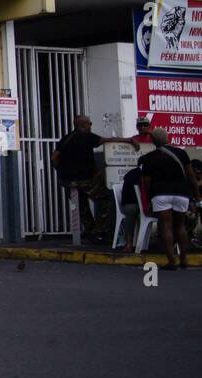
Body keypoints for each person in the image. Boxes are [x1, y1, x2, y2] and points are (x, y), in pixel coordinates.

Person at [51, 115, 132, 243]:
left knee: (81, 204)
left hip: (69, 181)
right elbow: (108, 140)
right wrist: (129, 140)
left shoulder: (66, 139)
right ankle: (98, 230)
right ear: (82, 125)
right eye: (90, 123)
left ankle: (89, 229)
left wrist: (61, 172)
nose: (91, 126)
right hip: (86, 179)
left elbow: (54, 157)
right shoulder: (88, 137)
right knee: (104, 198)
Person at [136, 127, 199, 270]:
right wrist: (197, 197)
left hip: (161, 194)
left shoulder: (149, 158)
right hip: (181, 194)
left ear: (153, 141)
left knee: (165, 226)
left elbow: (146, 182)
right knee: (180, 226)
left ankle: (172, 261)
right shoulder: (181, 153)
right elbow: (191, 176)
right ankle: (184, 259)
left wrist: (150, 198)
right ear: (168, 139)